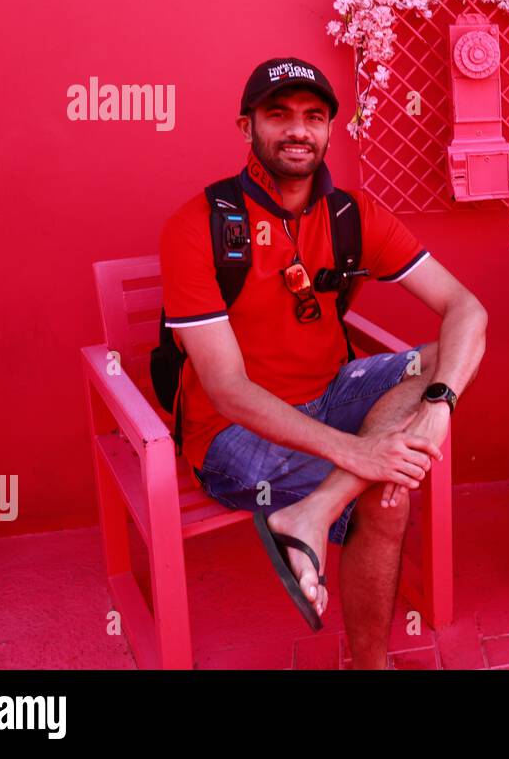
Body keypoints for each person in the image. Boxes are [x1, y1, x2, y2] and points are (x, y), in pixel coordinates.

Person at [159, 57, 486, 669]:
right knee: (387, 493)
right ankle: (372, 665)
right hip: (231, 431)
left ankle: (310, 514)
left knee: (443, 359)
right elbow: (227, 389)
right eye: (278, 114)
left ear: (332, 129)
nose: (297, 130)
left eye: (313, 116)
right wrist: (359, 453)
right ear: (246, 126)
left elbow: (466, 308)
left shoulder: (351, 216)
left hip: (333, 392)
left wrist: (438, 408)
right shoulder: (197, 226)